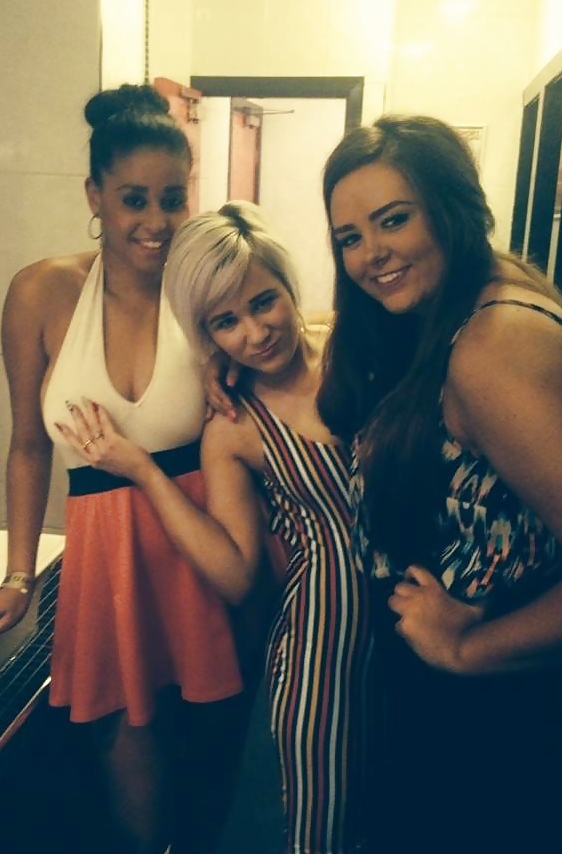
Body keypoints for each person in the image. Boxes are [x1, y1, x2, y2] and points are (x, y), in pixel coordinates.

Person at [0, 84, 249, 854]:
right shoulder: (41, 291)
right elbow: (27, 445)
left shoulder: (207, 291)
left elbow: (275, 366)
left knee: (214, 738)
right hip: (107, 549)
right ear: (94, 195)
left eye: (173, 198)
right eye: (134, 199)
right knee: (124, 730)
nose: (156, 221)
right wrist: (18, 579)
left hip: (204, 534)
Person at [57, 201, 372, 854]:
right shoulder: (234, 426)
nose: (254, 334)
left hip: (417, 621)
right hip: (322, 639)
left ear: (289, 286)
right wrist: (141, 470)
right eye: (224, 322)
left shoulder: (363, 353)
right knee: (319, 820)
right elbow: (234, 576)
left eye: (263, 302)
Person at [318, 114, 562, 854]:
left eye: (393, 220)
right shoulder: (470, 297)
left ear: (451, 205)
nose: (372, 254)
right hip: (468, 707)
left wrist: (471, 647)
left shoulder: (493, 349)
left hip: (496, 722)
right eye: (349, 237)